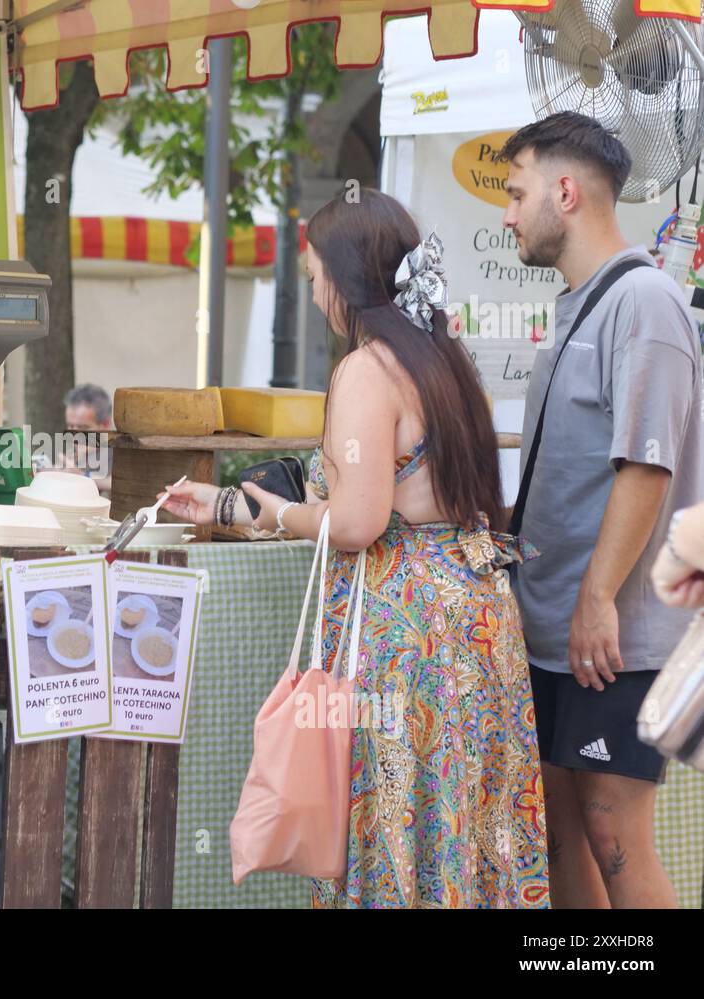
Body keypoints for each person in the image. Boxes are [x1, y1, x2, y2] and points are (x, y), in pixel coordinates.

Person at [161, 189, 548, 908]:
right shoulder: (445, 358)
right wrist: (231, 506)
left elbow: (358, 520)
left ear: (342, 278)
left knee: (396, 811)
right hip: (475, 617)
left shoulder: (366, 371)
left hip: (406, 629)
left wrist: (279, 515)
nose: (312, 291)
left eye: (313, 275)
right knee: (464, 817)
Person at [497, 111, 702, 909]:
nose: (509, 212)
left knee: (615, 834)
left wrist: (594, 600)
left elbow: (647, 466)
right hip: (555, 634)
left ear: (567, 190)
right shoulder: (579, 303)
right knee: (560, 830)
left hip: (620, 637)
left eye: (517, 193)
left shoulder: (646, 302)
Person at [61, 383, 113, 495]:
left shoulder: (120, 453)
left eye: (83, 427)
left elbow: (115, 484)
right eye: (70, 426)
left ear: (105, 425)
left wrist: (81, 476)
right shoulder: (77, 454)